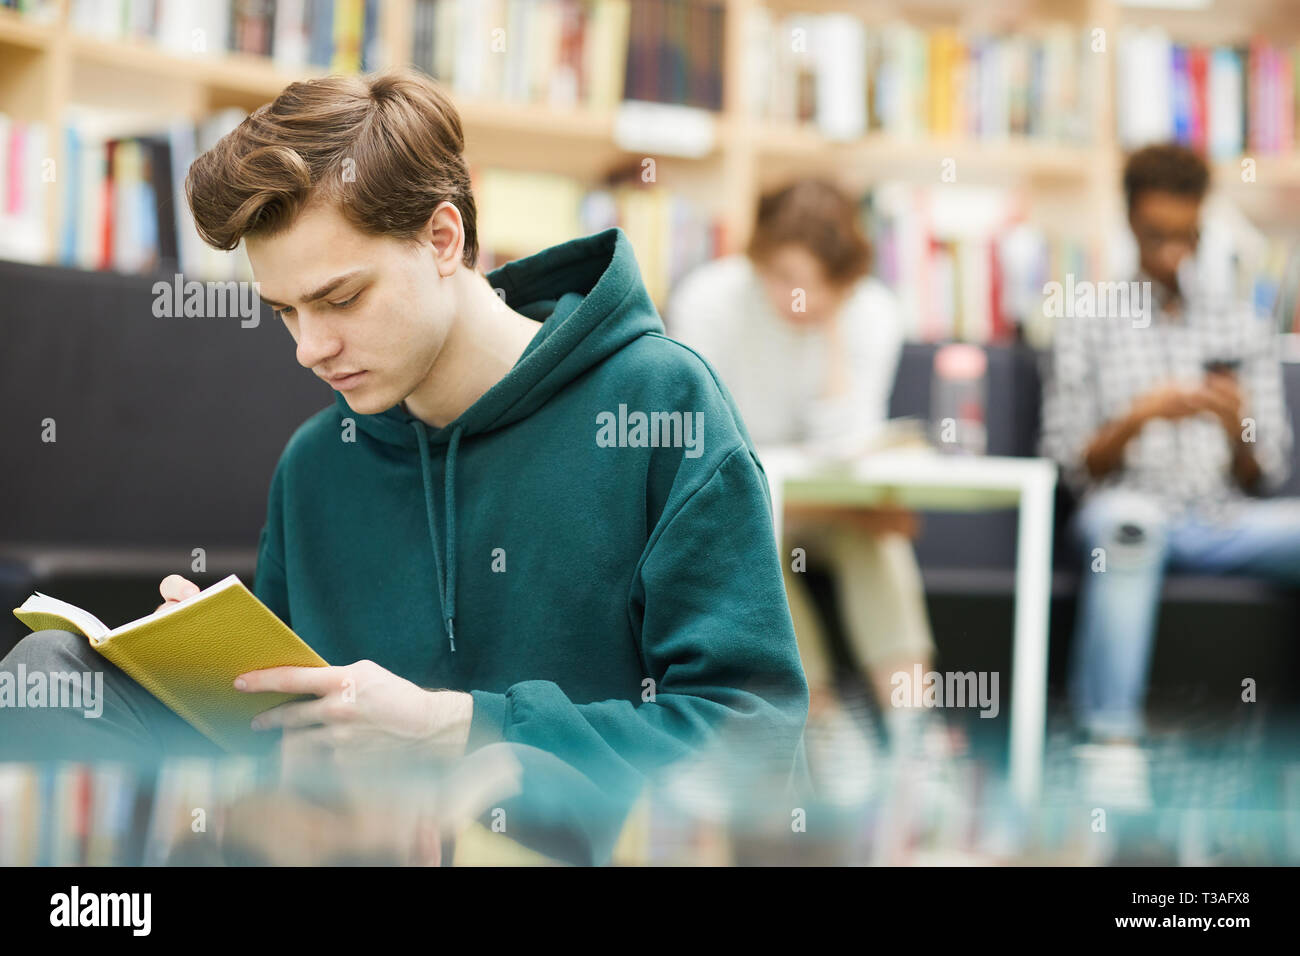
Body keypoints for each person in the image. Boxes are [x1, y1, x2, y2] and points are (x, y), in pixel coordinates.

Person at [0, 68, 808, 862]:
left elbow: (757, 738)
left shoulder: (660, 405)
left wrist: (456, 726)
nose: (310, 349)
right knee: (53, 669)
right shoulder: (319, 463)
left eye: (341, 299)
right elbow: (290, 765)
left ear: (442, 238)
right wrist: (203, 670)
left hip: (554, 850)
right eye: (284, 311)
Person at [1041, 142, 1300, 807]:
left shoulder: (1239, 321)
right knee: (1129, 527)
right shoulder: (1087, 320)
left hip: (1222, 519)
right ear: (1129, 223)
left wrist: (1234, 423)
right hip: (1126, 507)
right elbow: (1072, 468)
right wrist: (1137, 418)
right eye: (1156, 237)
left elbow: (1265, 472)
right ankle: (1112, 745)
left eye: (1186, 238)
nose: (1171, 255)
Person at [667, 179, 946, 790]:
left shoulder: (870, 310)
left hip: (827, 509)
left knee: (880, 547)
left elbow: (846, 451)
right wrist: (849, 513)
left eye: (822, 282)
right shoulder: (708, 302)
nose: (802, 297)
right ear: (757, 258)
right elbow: (710, 464)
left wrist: (834, 329)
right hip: (736, 512)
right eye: (787, 276)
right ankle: (822, 719)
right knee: (763, 544)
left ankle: (913, 733)